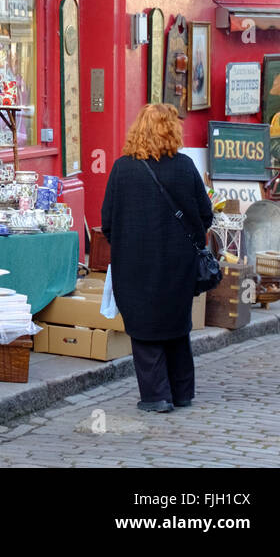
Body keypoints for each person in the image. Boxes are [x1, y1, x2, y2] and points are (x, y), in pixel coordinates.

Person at [100, 103, 214, 412]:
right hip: (179, 264)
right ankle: (182, 393)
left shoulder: (123, 168)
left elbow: (107, 221)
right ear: (172, 130)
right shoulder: (185, 167)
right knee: (177, 326)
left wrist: (126, 245)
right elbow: (206, 215)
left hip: (135, 264)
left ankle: (156, 396)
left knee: (145, 329)